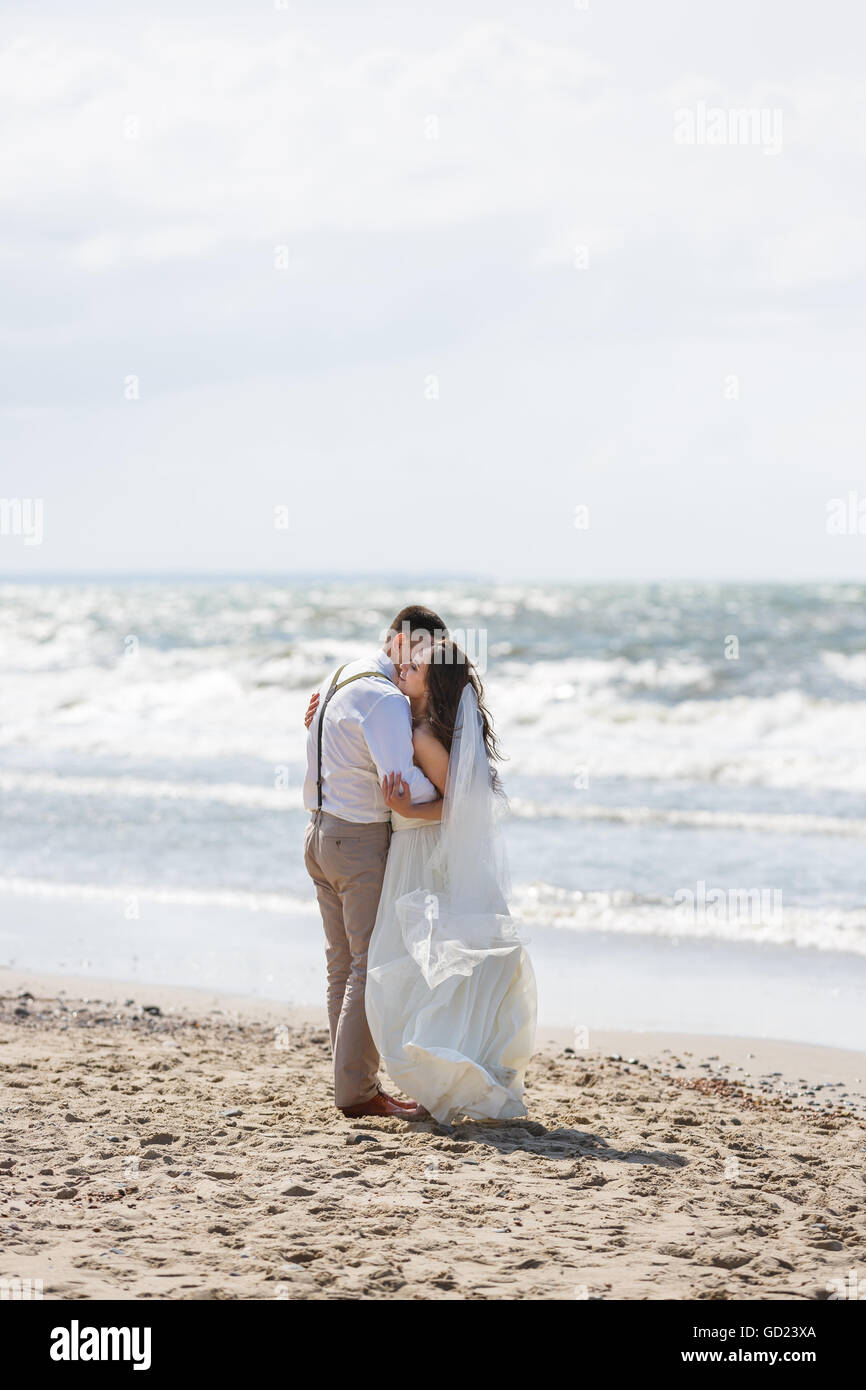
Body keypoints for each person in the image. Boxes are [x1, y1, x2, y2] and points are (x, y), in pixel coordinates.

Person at [366, 639, 537, 1124]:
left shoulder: (422, 734)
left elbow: (460, 803)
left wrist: (407, 809)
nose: (404, 668)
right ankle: (438, 1081)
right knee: (427, 966)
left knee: (424, 966)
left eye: (414, 666)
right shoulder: (412, 720)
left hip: (424, 855)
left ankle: (438, 1083)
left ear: (432, 682)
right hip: (419, 851)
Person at [301, 605, 448, 1119]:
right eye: (424, 654)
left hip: (318, 834)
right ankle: (358, 1092)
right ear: (399, 644)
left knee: (341, 965)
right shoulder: (385, 701)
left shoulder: (342, 674)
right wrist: (451, 790)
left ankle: (350, 1081)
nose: (424, 667)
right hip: (357, 842)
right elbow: (402, 787)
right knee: (365, 967)